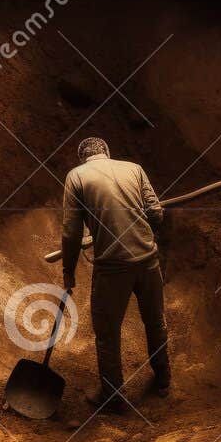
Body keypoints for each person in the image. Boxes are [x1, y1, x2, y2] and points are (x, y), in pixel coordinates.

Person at [60, 136, 170, 413]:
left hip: (112, 267)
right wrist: (142, 231)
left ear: (83, 157)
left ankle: (113, 396)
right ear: (107, 152)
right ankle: (164, 380)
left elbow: (71, 233)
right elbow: (156, 213)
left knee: (108, 334)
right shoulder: (133, 168)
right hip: (147, 260)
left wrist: (68, 270)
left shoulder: (76, 177)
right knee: (155, 322)